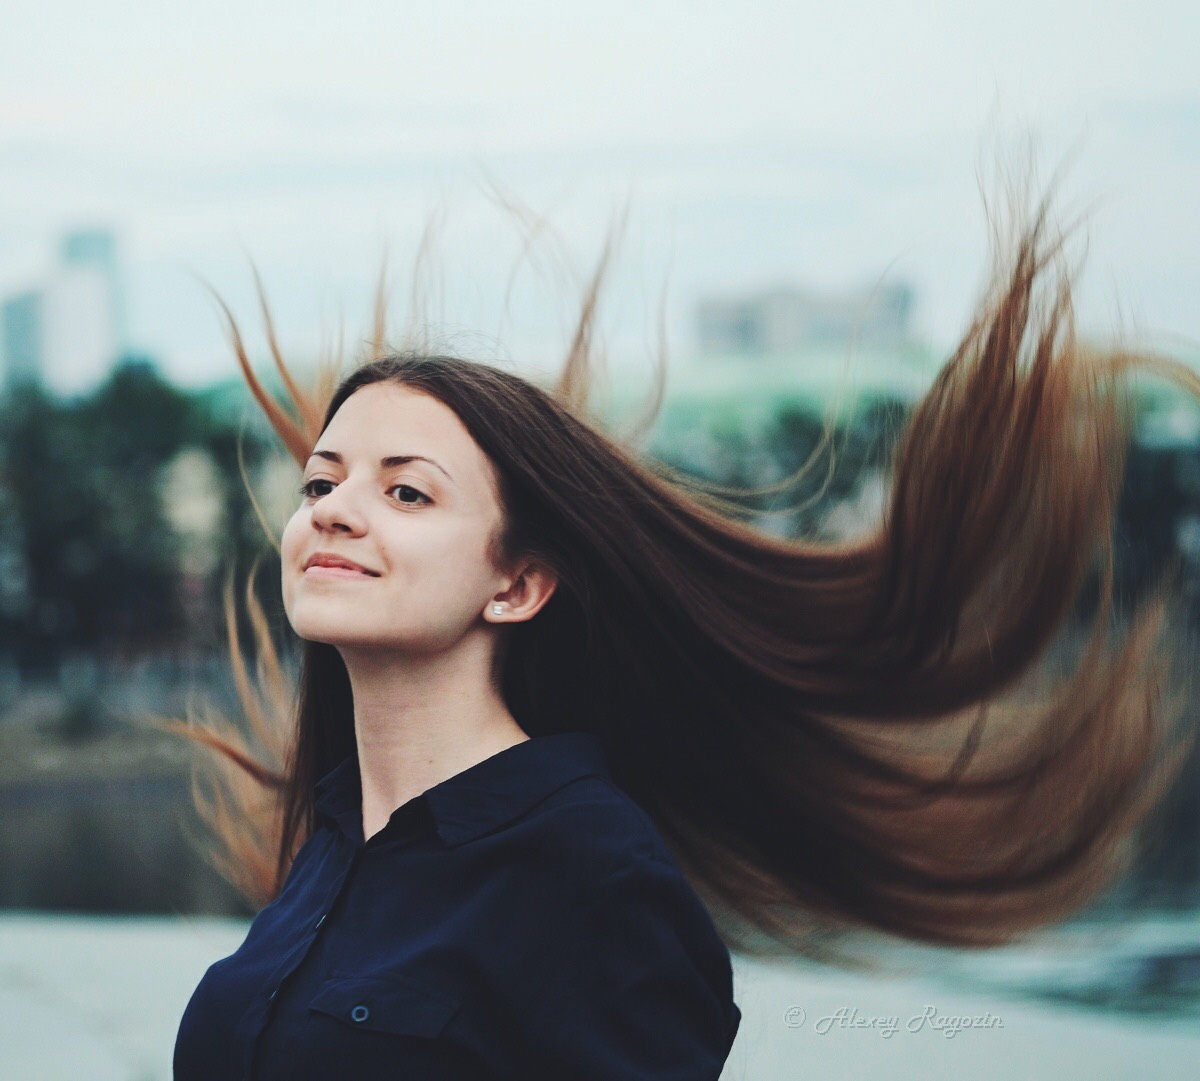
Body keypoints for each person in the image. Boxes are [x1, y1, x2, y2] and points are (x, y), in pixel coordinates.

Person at [165, 184, 1199, 1079]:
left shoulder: (596, 878)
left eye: (407, 492)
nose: (336, 509)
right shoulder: (334, 843)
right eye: (321, 480)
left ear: (518, 585)